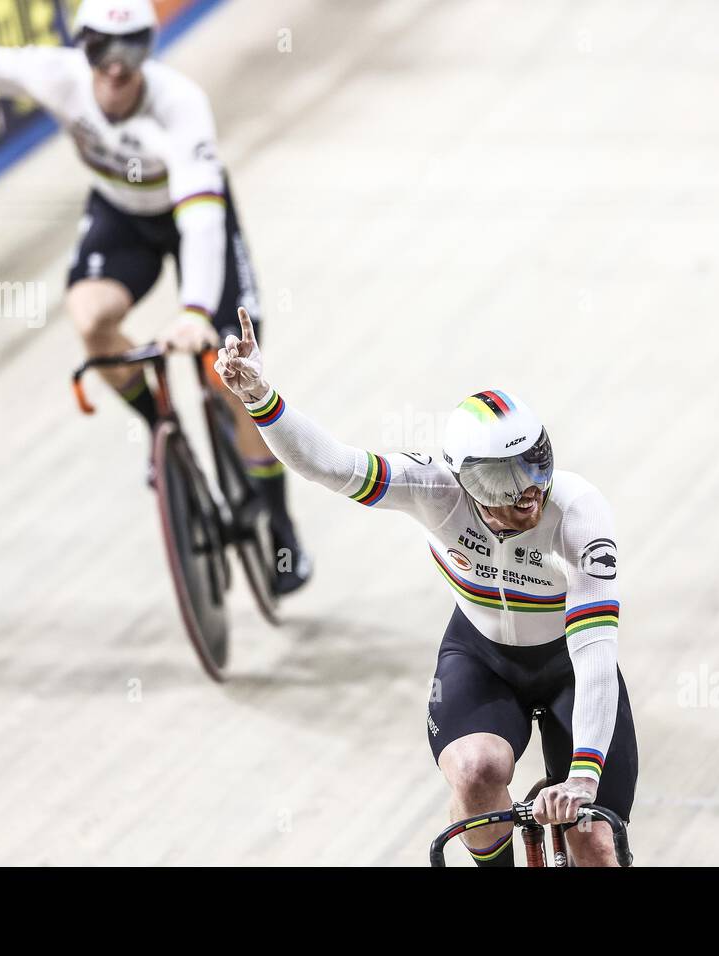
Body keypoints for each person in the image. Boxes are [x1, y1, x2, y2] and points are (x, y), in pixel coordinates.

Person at [215, 308, 638, 867]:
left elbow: (594, 654)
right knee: (475, 772)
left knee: (594, 840)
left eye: (535, 467)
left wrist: (583, 778)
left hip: (568, 666)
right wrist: (260, 398)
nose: (528, 495)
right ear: (462, 478)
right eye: (500, 480)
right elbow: (331, 465)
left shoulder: (580, 515)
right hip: (482, 656)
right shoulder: (434, 489)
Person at [0, 0, 310, 593]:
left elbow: (203, 226)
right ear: (83, 49)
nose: (116, 66)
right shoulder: (60, 74)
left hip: (193, 215)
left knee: (230, 369)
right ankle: (163, 438)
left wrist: (194, 314)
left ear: (149, 55)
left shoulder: (180, 108)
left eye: (131, 50)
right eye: (102, 48)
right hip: (121, 214)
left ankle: (279, 523)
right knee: (90, 318)